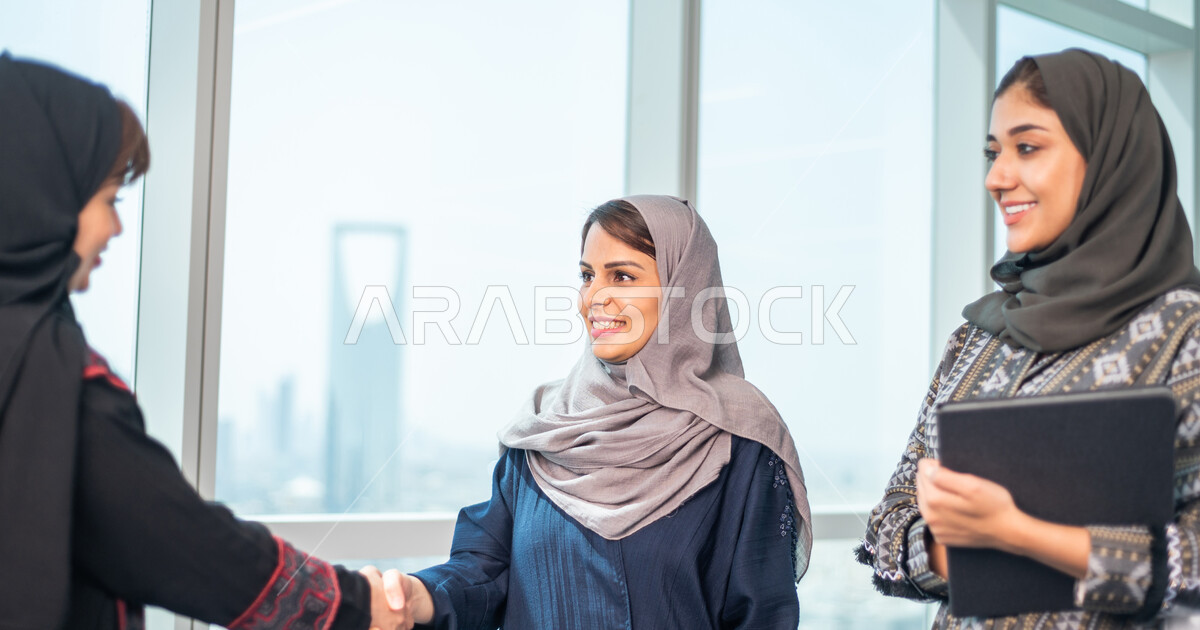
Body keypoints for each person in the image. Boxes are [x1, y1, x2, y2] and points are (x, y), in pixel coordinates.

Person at [0, 52, 411, 630]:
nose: (117, 228)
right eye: (110, 199)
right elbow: (184, 542)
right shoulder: (52, 383)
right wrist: (355, 605)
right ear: (46, 192)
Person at [857, 48, 1200, 628]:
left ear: (1109, 158)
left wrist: (1017, 534)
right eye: (993, 153)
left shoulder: (1182, 334)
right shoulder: (979, 335)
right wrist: (956, 545)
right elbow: (888, 530)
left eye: (1028, 147)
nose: (996, 177)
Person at [361, 195, 812, 629]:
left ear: (683, 290)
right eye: (586, 275)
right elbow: (482, 572)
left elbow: (762, 616)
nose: (594, 297)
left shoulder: (741, 443)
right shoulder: (546, 429)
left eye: (622, 277)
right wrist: (416, 596)